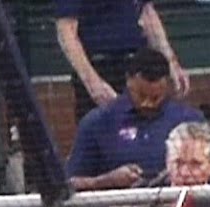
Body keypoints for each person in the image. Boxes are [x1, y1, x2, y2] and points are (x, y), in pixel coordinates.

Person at [66, 48, 206, 191]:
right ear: (128, 81)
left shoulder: (190, 121)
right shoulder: (97, 123)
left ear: (167, 85)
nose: (147, 104)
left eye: (155, 98)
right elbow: (70, 184)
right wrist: (106, 181)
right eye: (141, 95)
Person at [56, 0, 191, 125]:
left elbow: (146, 13)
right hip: (100, 66)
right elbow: (66, 30)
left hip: (137, 67)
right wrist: (93, 84)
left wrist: (171, 63)